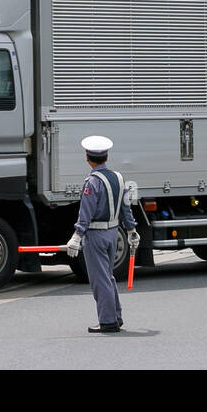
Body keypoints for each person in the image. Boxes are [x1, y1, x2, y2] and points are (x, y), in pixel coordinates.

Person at [66, 135, 139, 333]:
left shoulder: (92, 182)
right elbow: (126, 208)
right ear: (106, 157)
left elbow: (86, 211)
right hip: (114, 233)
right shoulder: (119, 178)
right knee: (108, 276)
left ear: (87, 158)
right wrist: (131, 230)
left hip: (96, 235)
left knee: (100, 279)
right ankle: (115, 315)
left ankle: (107, 321)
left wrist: (77, 235)